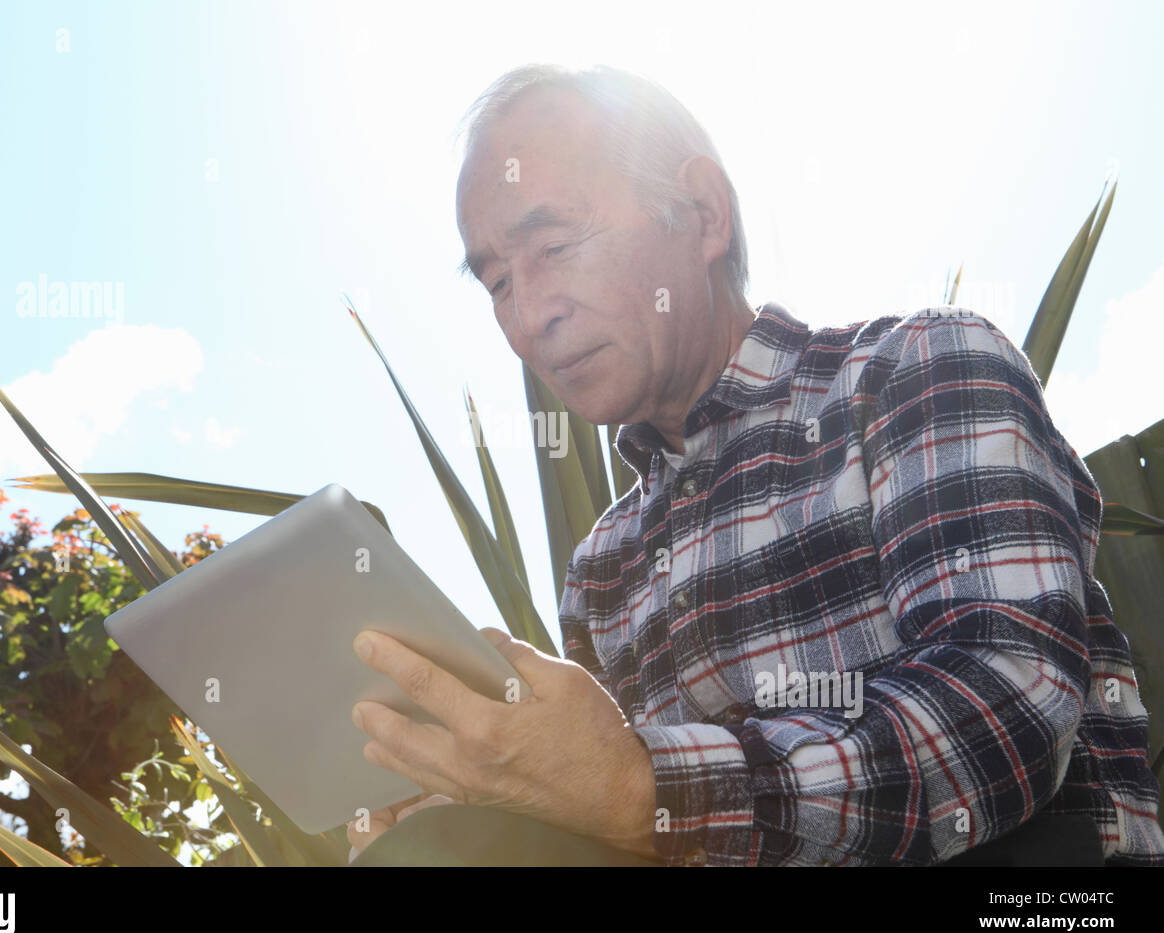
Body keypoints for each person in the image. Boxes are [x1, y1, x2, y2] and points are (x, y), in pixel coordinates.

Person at [344, 64, 1164, 866]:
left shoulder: (913, 369)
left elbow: (1006, 709)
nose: (528, 318)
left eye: (554, 246)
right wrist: (492, 809)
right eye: (494, 282)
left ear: (703, 213)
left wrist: (644, 788)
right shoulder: (601, 570)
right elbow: (627, 836)